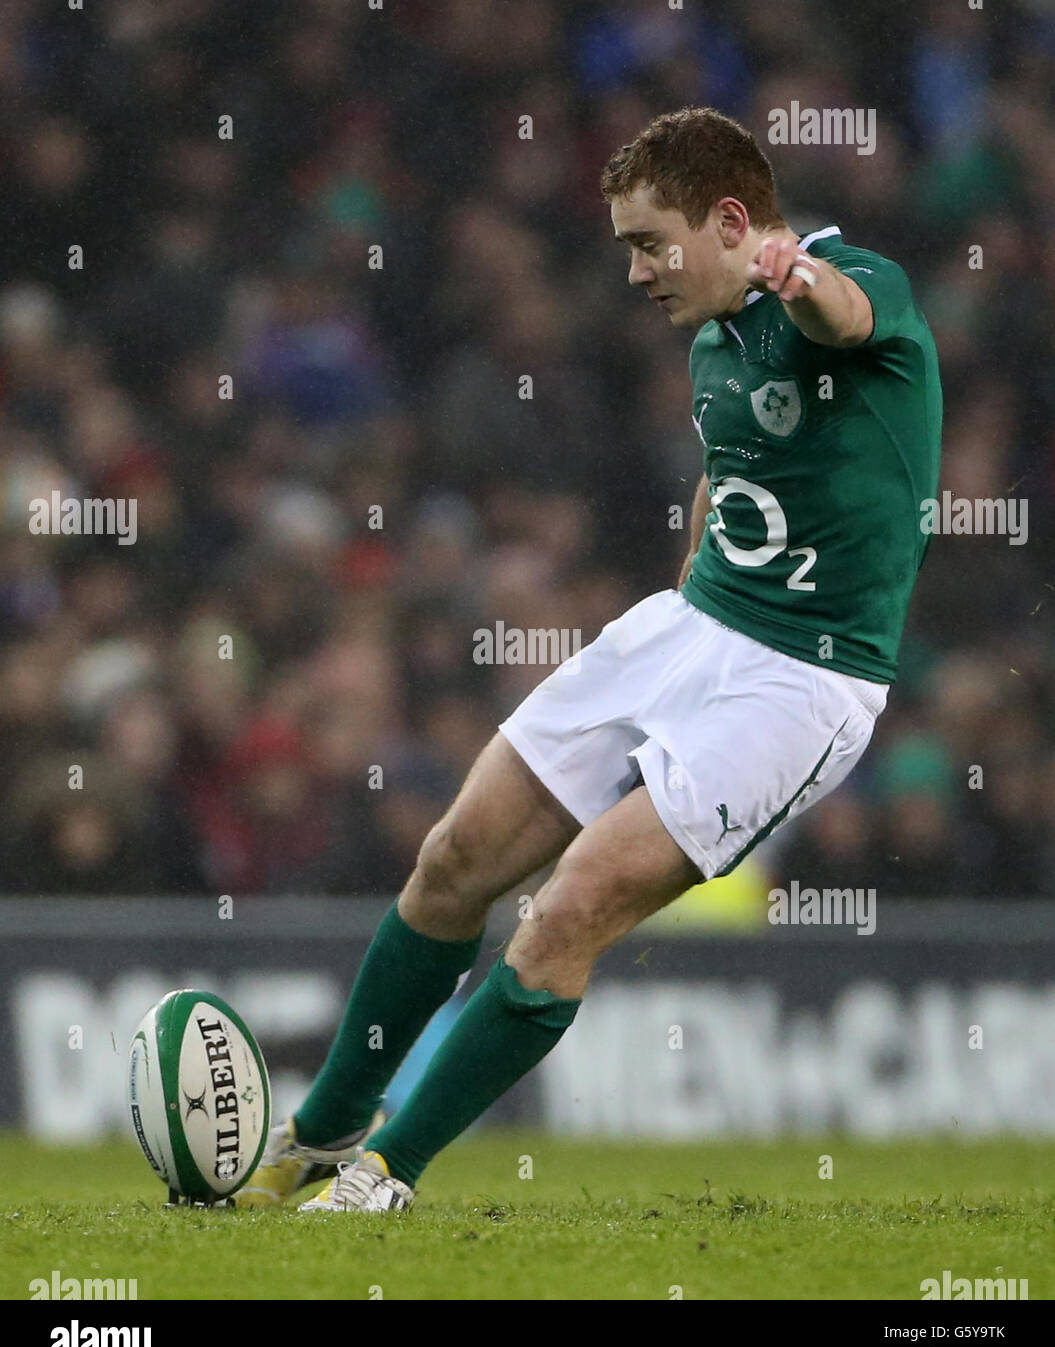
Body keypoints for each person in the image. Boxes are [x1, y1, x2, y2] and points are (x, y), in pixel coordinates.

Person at [237, 106, 942, 1213]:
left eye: (648, 242)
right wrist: (670, 624)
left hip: (800, 678)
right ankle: (323, 1131)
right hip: (687, 623)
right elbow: (733, 481)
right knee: (454, 858)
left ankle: (386, 1175)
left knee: (566, 907)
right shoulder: (712, 343)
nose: (633, 271)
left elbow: (846, 323)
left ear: (727, 221)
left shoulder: (855, 278)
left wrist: (797, 278)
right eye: (623, 246)